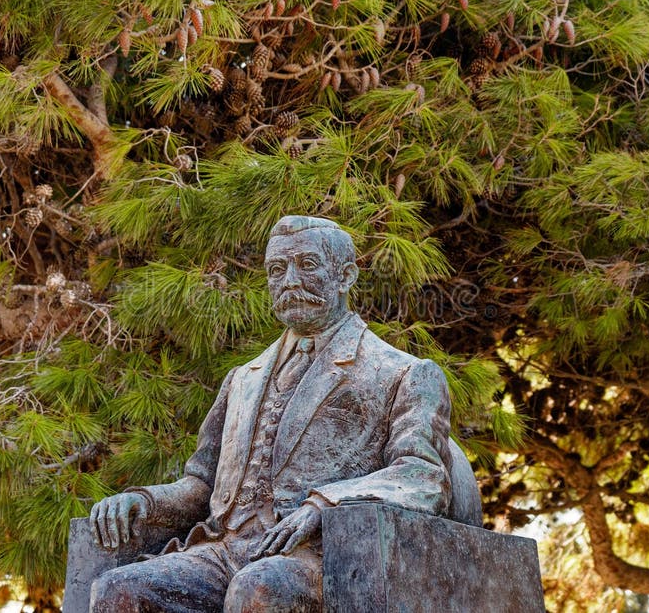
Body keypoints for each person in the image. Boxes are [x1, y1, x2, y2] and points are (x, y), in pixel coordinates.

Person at [89, 215, 453, 612]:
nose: (290, 281)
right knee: (118, 590)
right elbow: (202, 484)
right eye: (277, 269)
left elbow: (424, 476)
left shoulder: (401, 373)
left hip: (322, 556)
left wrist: (323, 505)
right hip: (225, 551)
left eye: (308, 265)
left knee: (257, 591)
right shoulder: (242, 379)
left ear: (346, 276)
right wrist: (144, 501)